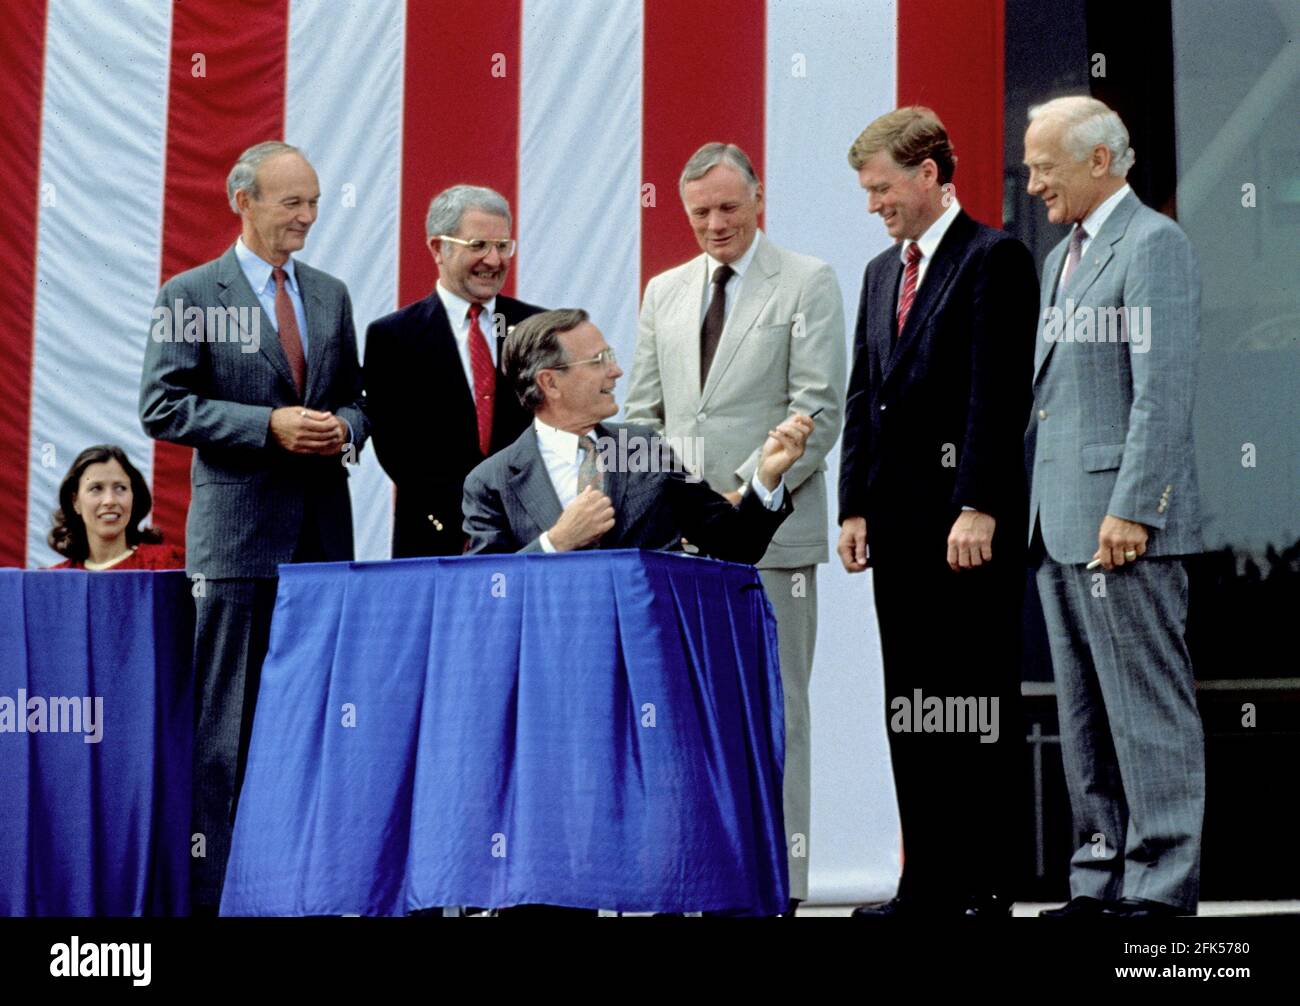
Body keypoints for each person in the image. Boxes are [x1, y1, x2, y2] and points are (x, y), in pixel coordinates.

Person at [139, 140, 369, 914]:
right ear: (242, 200)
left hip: (324, 546)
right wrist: (266, 425)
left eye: (312, 201)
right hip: (237, 548)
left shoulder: (332, 294)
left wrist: (345, 425)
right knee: (226, 733)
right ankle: (219, 897)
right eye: (290, 202)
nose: (307, 216)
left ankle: (313, 888)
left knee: (325, 723)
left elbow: (357, 399)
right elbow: (162, 406)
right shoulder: (192, 292)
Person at [624, 143, 844, 910]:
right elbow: (644, 417)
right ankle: (698, 875)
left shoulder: (808, 281)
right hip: (681, 547)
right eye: (699, 212)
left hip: (774, 536)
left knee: (776, 709)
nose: (714, 224)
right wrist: (686, 500)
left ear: (758, 202)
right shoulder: (665, 291)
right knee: (686, 713)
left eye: (727, 208)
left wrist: (745, 494)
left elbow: (817, 410)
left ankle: (781, 882)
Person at [837, 107, 1040, 917]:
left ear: (929, 174)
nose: (873, 204)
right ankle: (927, 883)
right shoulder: (883, 272)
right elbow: (863, 396)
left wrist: (980, 503)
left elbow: (996, 395)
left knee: (975, 700)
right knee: (914, 704)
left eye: (882, 187)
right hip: (897, 528)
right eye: (865, 191)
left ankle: (984, 887)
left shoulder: (997, 257)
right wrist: (853, 509)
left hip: (964, 527)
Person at [1023, 96, 1205, 919]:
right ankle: (1098, 878)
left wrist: (1134, 507)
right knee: (1087, 718)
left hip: (1120, 528)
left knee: (1146, 715)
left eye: (1042, 166)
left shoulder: (1154, 244)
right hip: (1059, 526)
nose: (1032, 184)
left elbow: (1162, 391)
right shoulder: (1065, 253)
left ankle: (1161, 888)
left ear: (1100, 160)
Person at [463, 309, 812, 562]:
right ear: (550, 382)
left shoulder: (641, 447)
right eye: (599, 360)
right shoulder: (492, 482)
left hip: (649, 647)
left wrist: (766, 475)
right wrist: (556, 542)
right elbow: (487, 590)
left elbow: (735, 544)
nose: (616, 371)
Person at [365, 185, 544, 557]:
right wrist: (469, 522)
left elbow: (553, 430)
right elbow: (397, 448)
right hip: (435, 538)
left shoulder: (537, 328)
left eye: (502, 246)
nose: (494, 260)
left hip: (528, 537)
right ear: (438, 248)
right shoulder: (393, 336)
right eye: (478, 245)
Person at [47, 444, 184, 570]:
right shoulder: (54, 581)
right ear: (75, 502)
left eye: (120, 488)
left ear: (133, 496)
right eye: (96, 488)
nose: (109, 501)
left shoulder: (169, 564)